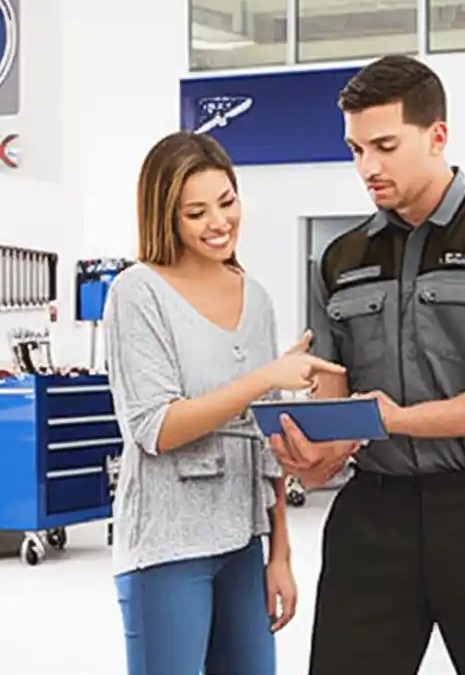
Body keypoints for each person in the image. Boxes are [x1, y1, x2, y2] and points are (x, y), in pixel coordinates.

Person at [268, 54, 465, 675]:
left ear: (437, 135)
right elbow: (339, 401)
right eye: (356, 149)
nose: (368, 167)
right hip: (373, 516)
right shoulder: (339, 259)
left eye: (385, 145)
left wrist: (401, 420)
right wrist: (314, 449)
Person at [104, 131, 346, 675]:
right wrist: (265, 377)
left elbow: (267, 441)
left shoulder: (253, 297)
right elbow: (155, 427)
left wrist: (279, 552)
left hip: (242, 540)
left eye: (228, 202)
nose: (219, 222)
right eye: (197, 212)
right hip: (166, 547)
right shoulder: (137, 292)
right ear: (165, 217)